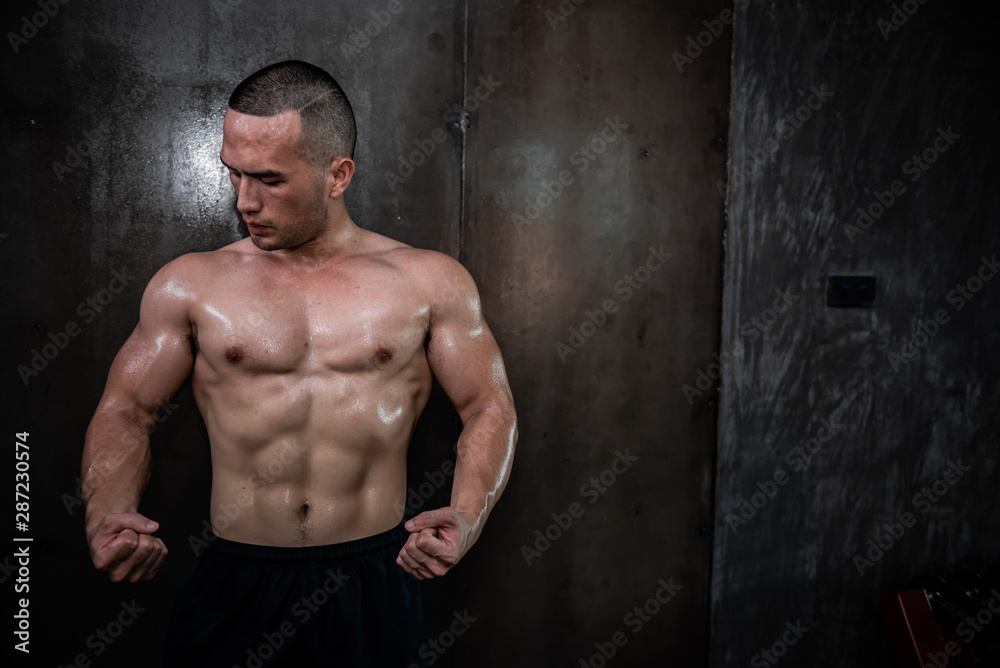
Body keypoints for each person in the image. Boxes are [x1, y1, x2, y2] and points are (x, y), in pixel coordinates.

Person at [80, 60, 518, 666]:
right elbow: (126, 410)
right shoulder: (190, 284)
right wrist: (107, 512)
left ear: (338, 175)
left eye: (269, 180)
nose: (244, 202)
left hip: (373, 576)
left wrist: (466, 516)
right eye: (233, 174)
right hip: (237, 577)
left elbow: (488, 406)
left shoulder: (428, 282)